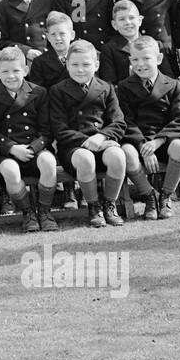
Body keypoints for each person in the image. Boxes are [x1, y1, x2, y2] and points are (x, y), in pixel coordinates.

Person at [48, 41, 128, 228]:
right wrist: (86, 141)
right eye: (75, 65)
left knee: (118, 156)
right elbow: (59, 128)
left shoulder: (106, 88)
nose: (80, 70)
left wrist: (101, 138)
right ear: (67, 65)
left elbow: (118, 122)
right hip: (73, 149)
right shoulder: (58, 90)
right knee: (85, 158)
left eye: (86, 64)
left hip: (102, 142)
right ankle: (94, 207)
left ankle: (110, 204)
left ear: (96, 65)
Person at [0, 46, 60, 234]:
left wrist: (33, 148)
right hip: (8, 153)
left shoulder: (39, 93)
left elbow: (46, 131)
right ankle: (28, 213)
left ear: (26, 71)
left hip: (35, 149)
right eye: (5, 71)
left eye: (16, 70)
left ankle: (44, 211)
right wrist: (12, 148)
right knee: (10, 171)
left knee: (49, 162)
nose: (11, 76)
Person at [116, 36, 180, 220]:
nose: (140, 64)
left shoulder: (173, 85)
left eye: (146, 58)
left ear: (158, 59)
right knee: (127, 153)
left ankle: (165, 196)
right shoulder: (124, 87)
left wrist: (157, 142)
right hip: (136, 141)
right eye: (135, 60)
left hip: (163, 140)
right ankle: (149, 196)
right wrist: (143, 145)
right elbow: (125, 122)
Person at [97, 0, 175, 84]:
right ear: (114, 25)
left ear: (140, 20)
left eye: (131, 17)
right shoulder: (109, 50)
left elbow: (168, 79)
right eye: (122, 19)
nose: (128, 22)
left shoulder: (156, 45)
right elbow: (109, 83)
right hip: (124, 95)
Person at [28, 11, 75, 89]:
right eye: (53, 34)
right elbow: (38, 95)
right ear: (48, 37)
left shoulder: (81, 57)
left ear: (72, 35)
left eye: (62, 33)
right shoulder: (39, 63)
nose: (58, 38)